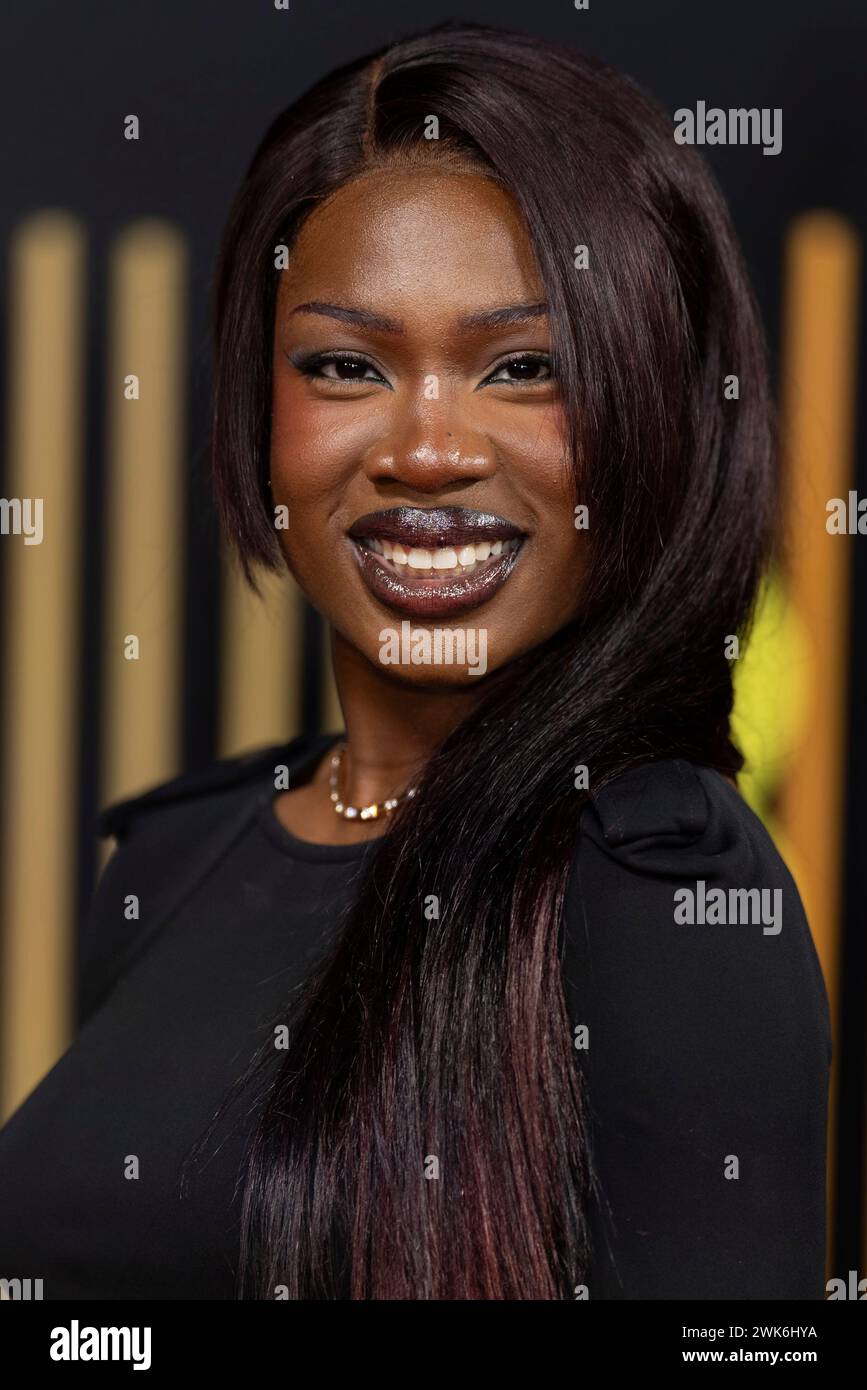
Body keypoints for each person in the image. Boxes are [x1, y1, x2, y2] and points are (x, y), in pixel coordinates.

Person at [0, 21, 830, 1300]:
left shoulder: (660, 887)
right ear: (255, 408)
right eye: (344, 364)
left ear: (656, 405)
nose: (428, 450)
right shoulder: (176, 853)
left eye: (524, 367)